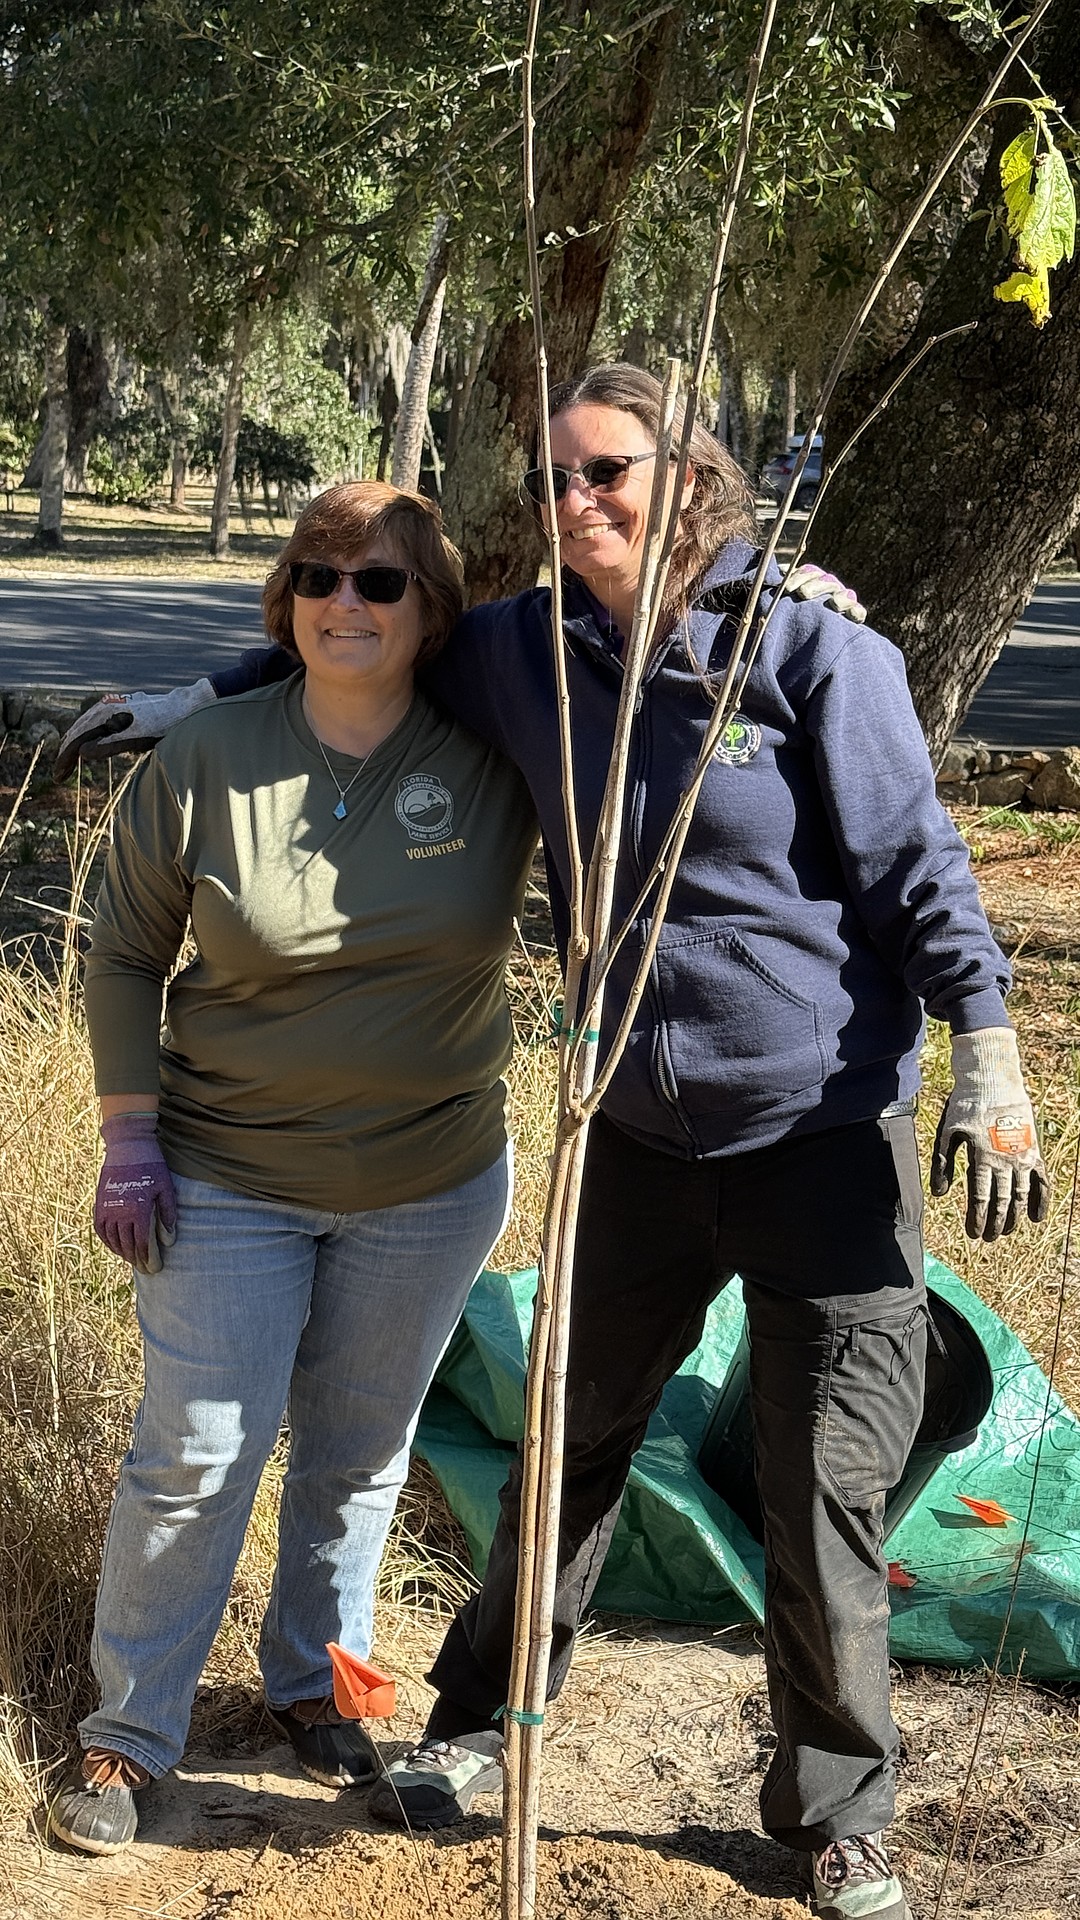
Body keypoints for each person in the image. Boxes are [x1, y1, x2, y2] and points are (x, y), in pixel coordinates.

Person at [58, 367, 1046, 1920]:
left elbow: (919, 863)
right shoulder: (531, 653)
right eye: (556, 480)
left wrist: (990, 1054)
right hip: (633, 1138)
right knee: (566, 1456)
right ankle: (471, 1727)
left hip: (824, 1133)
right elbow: (354, 634)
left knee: (824, 1489)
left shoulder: (807, 649)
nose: (578, 501)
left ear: (690, 477)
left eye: (609, 472)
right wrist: (197, 699)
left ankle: (840, 1815)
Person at [48, 481, 537, 1858]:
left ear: (431, 609)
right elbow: (123, 952)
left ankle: (317, 1684)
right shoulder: (206, 758)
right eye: (318, 578)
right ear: (285, 604)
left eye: (380, 582)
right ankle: (131, 1731)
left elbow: (637, 693)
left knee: (360, 1452)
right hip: (225, 1176)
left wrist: (778, 598)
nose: (345, 603)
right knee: (197, 1456)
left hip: (432, 1183)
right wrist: (128, 1137)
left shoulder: (495, 755)